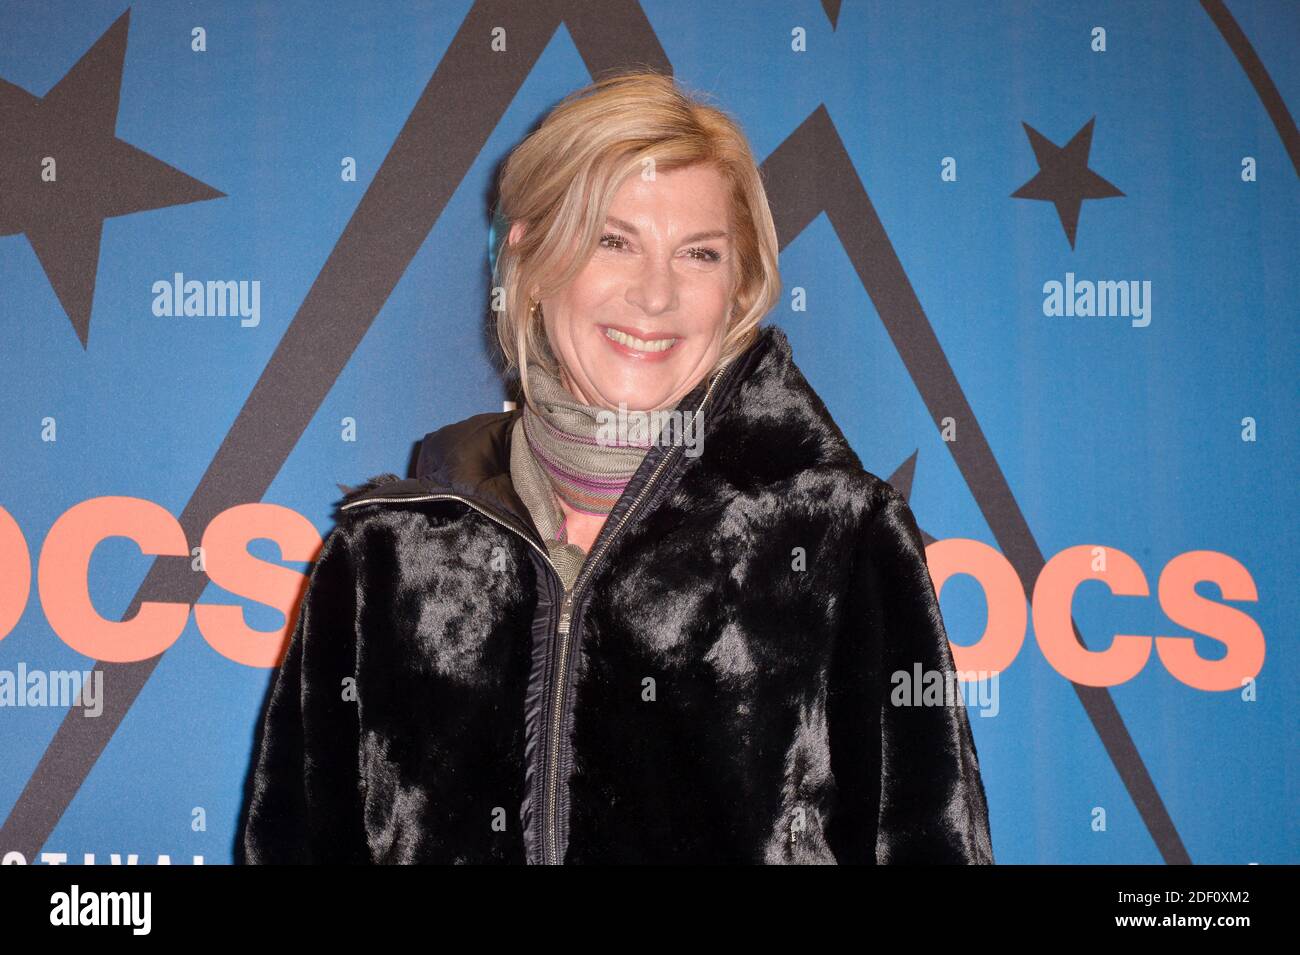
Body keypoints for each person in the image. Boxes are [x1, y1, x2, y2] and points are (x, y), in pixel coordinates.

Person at [242, 69, 993, 864]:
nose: (655, 295)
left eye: (698, 254)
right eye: (614, 240)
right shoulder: (380, 558)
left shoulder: (844, 543)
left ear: (737, 289)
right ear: (530, 261)